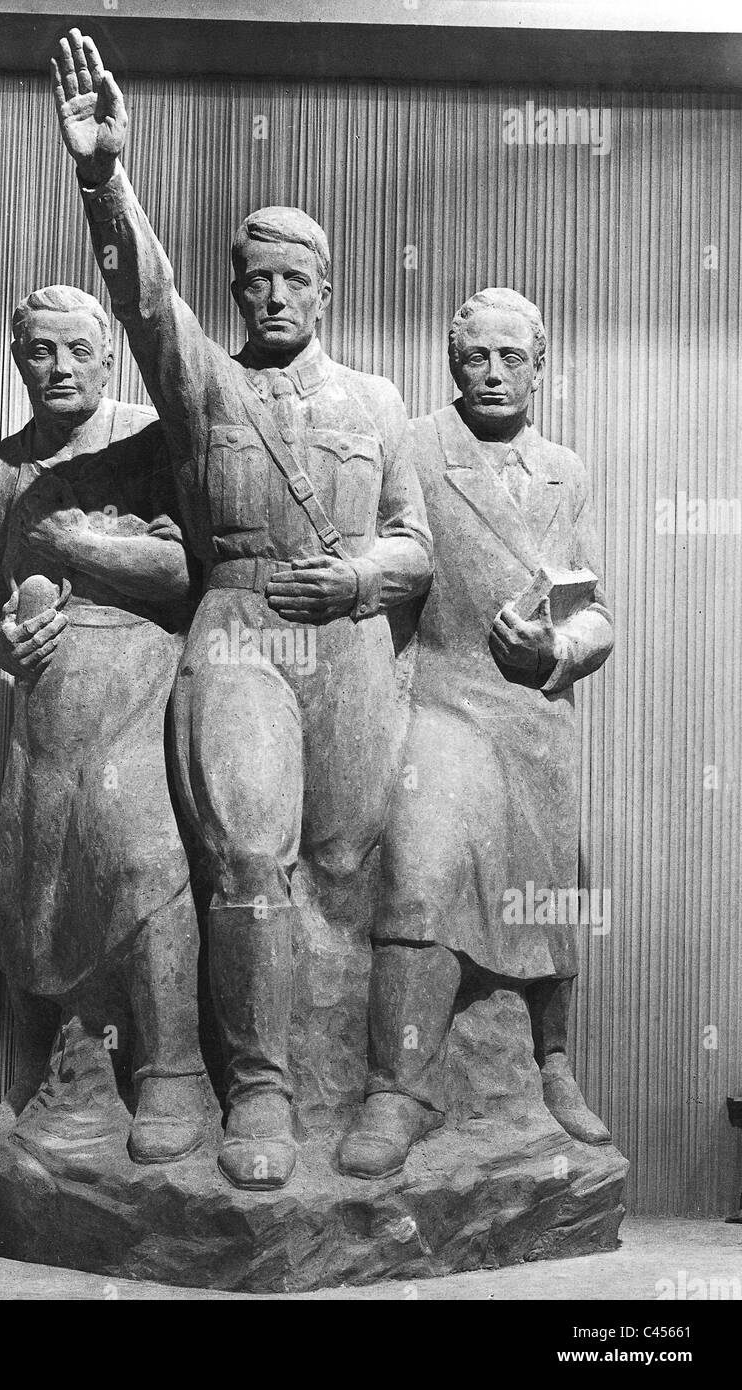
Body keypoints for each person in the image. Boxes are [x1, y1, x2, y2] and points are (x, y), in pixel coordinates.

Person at [50, 30, 432, 1189]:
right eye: (254, 278)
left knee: (345, 867)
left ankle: (369, 1089)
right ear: (235, 290)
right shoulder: (204, 382)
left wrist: (362, 578)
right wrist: (105, 175)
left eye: (293, 279)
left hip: (351, 646)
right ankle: (258, 1096)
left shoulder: (376, 400)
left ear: (328, 290)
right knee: (249, 864)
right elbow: (145, 298)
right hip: (239, 638)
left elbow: (417, 544)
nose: (272, 295)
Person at [339, 288, 614, 1179]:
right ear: (452, 362)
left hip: (533, 709)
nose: (492, 374)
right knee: (419, 871)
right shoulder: (414, 446)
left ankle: (553, 1064)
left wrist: (558, 646)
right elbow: (384, 564)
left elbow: (593, 609)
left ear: (540, 366)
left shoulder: (566, 471)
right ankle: (399, 1086)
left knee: (560, 883)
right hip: (441, 695)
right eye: (474, 358)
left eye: (512, 359)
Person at [0, 283, 206, 1167]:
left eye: (77, 350)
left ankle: (173, 1074)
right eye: (40, 351)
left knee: (144, 864)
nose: (59, 367)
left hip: (139, 682)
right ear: (19, 357)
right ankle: (47, 1079)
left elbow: (189, 567)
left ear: (108, 356)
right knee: (34, 880)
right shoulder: (5, 465)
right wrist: (5, 642)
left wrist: (78, 547)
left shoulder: (148, 437)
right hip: (47, 709)